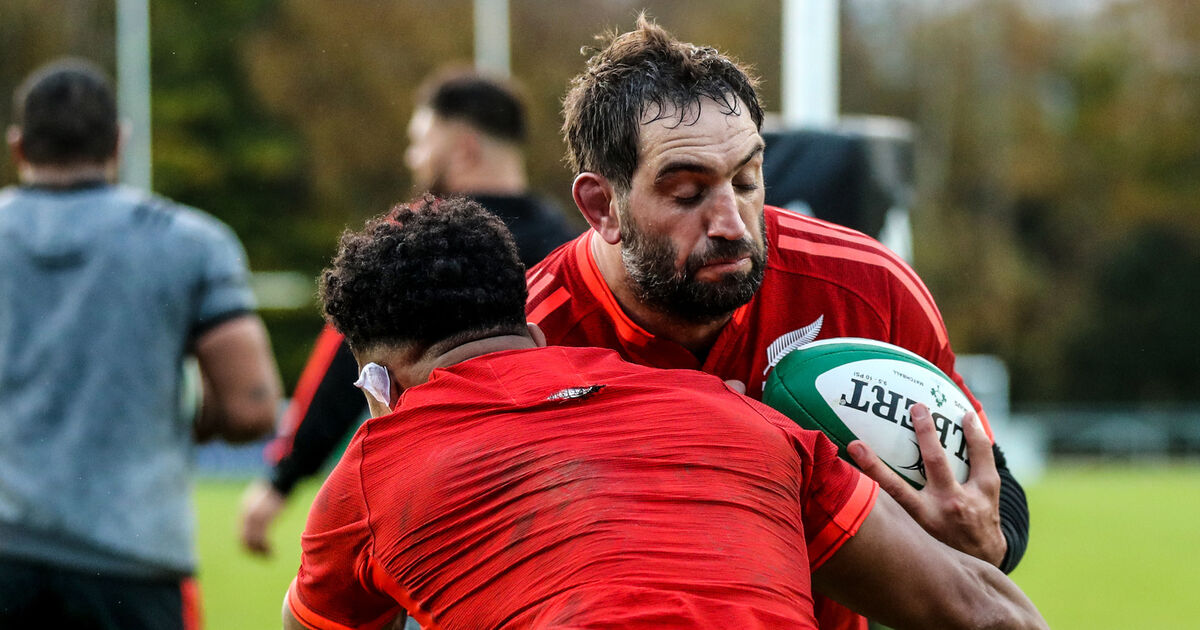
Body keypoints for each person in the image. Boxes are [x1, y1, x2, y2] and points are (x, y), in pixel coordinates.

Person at [282, 195, 1046, 630]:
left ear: (378, 388)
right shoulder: (737, 413)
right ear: (537, 333)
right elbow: (986, 612)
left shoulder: (371, 471)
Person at [523, 16, 1030, 630]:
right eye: (687, 193)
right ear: (602, 205)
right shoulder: (529, 340)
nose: (732, 223)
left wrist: (988, 541)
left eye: (746, 180)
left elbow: (989, 486)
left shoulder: (866, 288)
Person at [239, 67, 579, 555]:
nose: (411, 156)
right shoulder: (574, 248)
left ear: (464, 147)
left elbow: (347, 360)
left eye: (420, 141)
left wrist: (283, 477)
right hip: (556, 507)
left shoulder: (415, 249)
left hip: (440, 504)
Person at [0, 59, 282, 628]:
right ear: (119, 142)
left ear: (19, 147)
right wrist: (173, 418)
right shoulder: (190, 243)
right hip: (131, 557)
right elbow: (251, 408)